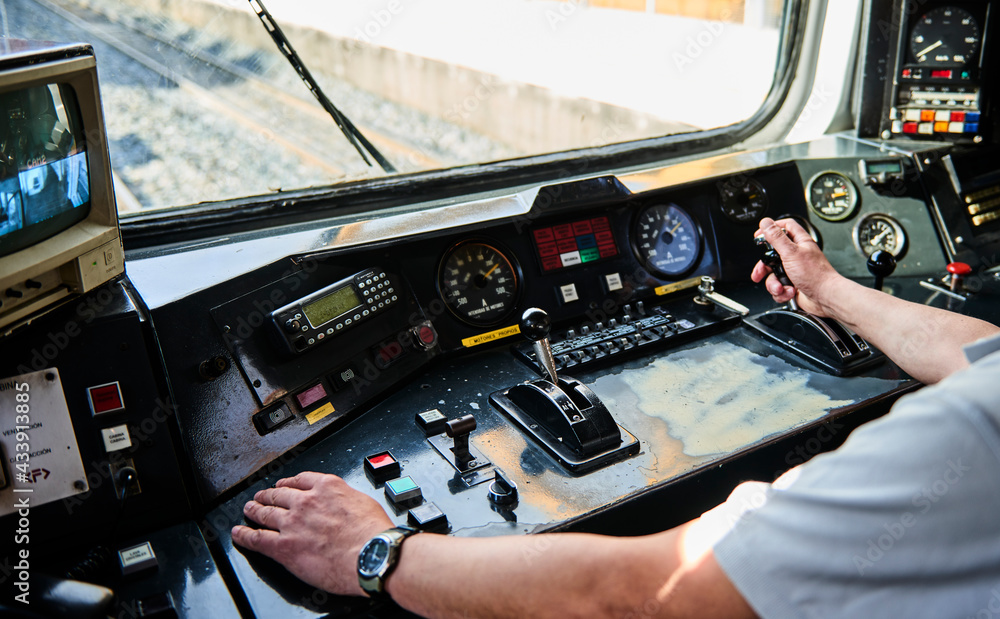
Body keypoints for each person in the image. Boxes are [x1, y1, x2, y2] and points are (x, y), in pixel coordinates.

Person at [232, 217, 1000, 618]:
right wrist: (829, 289)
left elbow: (637, 595)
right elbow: (982, 350)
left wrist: (380, 552)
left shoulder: (961, 444)